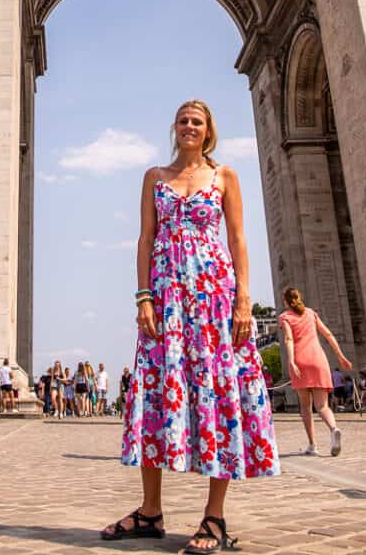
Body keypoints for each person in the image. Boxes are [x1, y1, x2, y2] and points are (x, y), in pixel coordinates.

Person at [103, 99, 278, 552]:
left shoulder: (225, 177)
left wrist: (244, 302)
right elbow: (146, 237)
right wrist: (143, 297)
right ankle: (150, 511)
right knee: (156, 390)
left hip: (214, 298)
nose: (188, 127)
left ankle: (214, 518)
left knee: (219, 393)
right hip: (165, 301)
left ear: (208, 131)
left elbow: (238, 238)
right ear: (174, 127)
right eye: (182, 120)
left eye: (196, 122)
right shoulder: (153, 177)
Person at [279, 286, 351, 457]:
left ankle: (312, 444)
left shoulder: (285, 317)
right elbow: (328, 334)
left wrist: (291, 360)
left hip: (301, 361)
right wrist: (340, 356)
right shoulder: (311, 313)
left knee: (305, 406)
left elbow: (289, 338)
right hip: (319, 360)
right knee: (322, 406)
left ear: (285, 301)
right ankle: (334, 429)